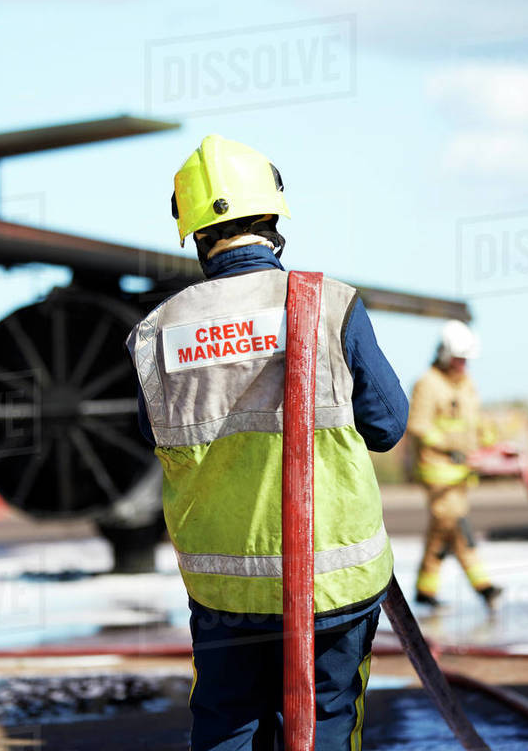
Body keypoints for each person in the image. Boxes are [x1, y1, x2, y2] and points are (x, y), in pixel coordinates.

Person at [126, 135, 409, 751]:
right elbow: (387, 425)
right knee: (326, 723)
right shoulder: (331, 305)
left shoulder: (156, 334)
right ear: (274, 220)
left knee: (228, 726)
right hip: (333, 585)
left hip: (226, 591)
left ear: (196, 233)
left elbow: (156, 434)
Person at [408, 320, 502, 609]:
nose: (463, 365)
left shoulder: (466, 383)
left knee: (441, 529)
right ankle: (484, 587)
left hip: (462, 474)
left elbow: (476, 420)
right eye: (459, 359)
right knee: (458, 527)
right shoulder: (428, 383)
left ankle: (425, 590)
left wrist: (490, 441)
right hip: (439, 475)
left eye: (466, 360)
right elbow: (418, 425)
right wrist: (451, 447)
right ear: (446, 354)